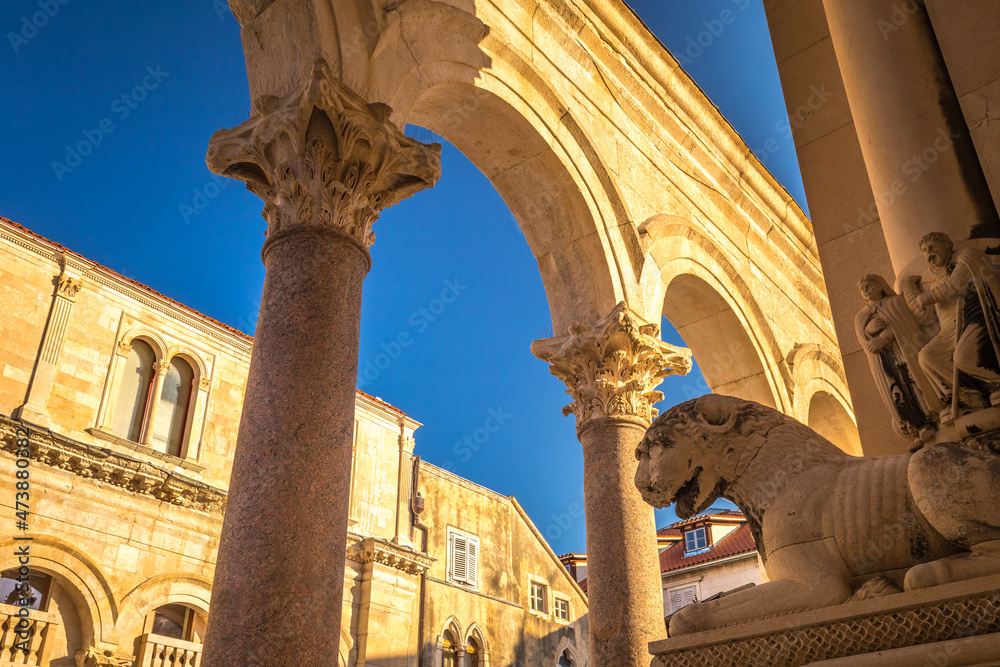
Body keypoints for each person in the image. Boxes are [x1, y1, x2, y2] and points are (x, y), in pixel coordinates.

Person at [903, 232, 1000, 417]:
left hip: (978, 317)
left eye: (932, 247)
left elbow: (956, 286)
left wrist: (927, 297)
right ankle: (969, 395)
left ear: (947, 245)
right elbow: (924, 316)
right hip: (949, 329)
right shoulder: (928, 278)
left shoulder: (968, 256)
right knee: (927, 356)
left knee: (963, 357)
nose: (928, 253)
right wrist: (909, 286)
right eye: (924, 251)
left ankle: (995, 381)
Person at [856, 274, 941, 443]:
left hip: (905, 354)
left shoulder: (895, 303)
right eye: (862, 289)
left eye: (869, 285)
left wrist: (884, 337)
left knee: (914, 384)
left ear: (880, 285)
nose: (866, 290)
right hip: (886, 362)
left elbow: (905, 324)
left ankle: (930, 418)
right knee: (899, 391)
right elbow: (863, 339)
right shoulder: (861, 316)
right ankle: (915, 426)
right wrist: (869, 331)